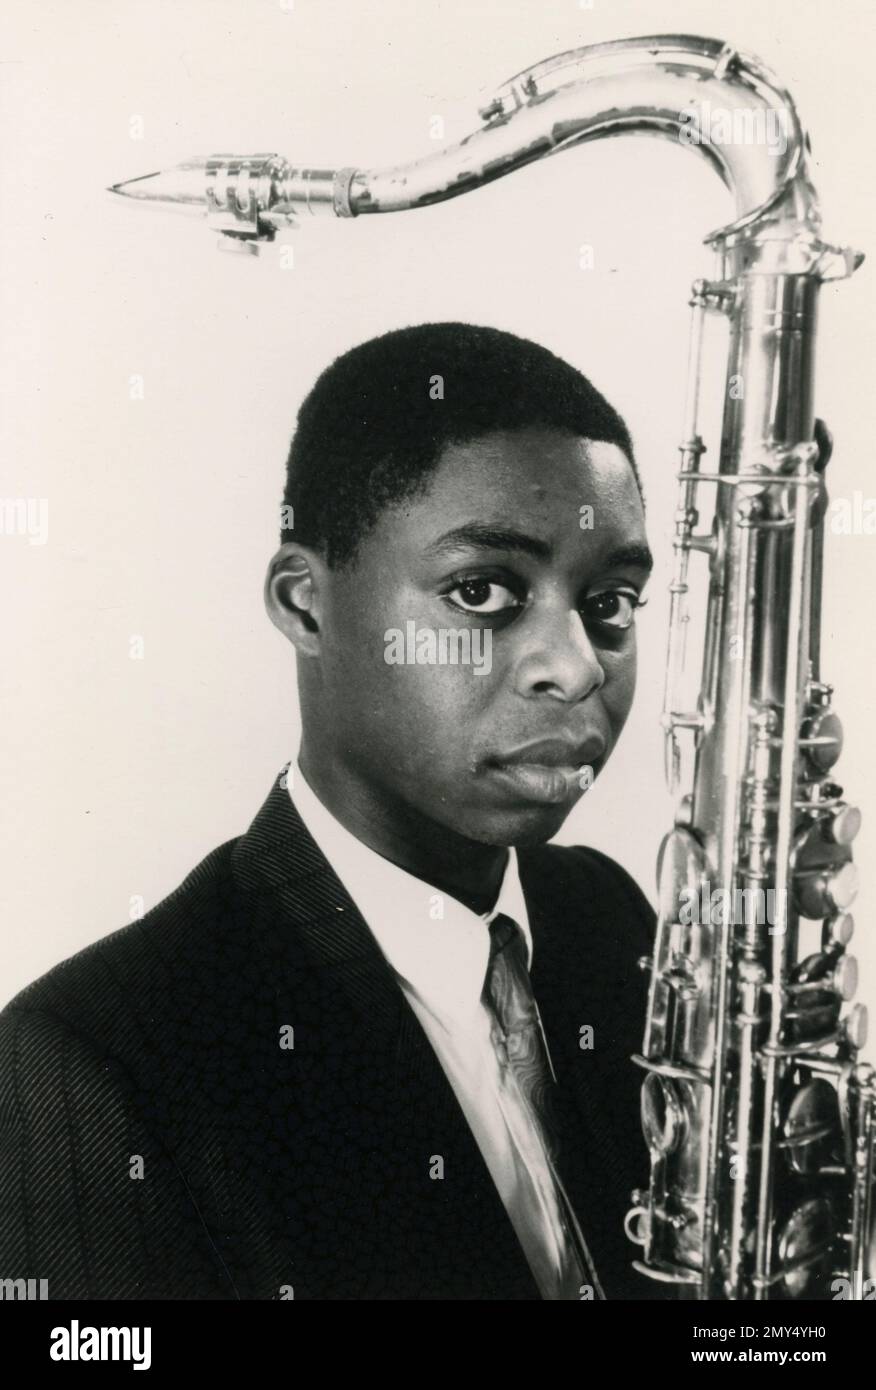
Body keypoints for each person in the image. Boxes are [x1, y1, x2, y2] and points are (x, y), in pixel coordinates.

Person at [0, 321, 660, 1300]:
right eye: (483, 590)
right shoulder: (89, 1066)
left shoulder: (607, 917)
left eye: (609, 601)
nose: (576, 668)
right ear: (305, 603)